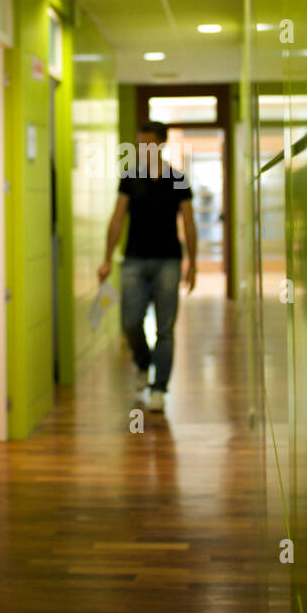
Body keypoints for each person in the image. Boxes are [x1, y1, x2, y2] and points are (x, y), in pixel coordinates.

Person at [98, 121, 197, 413]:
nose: (143, 148)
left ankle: (159, 388)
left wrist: (193, 262)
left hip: (169, 260)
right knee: (130, 321)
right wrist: (106, 258)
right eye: (139, 143)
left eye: (148, 143)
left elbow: (189, 223)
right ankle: (143, 363)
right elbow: (117, 220)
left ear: (161, 144)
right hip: (134, 261)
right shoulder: (130, 178)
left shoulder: (177, 178)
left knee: (165, 329)